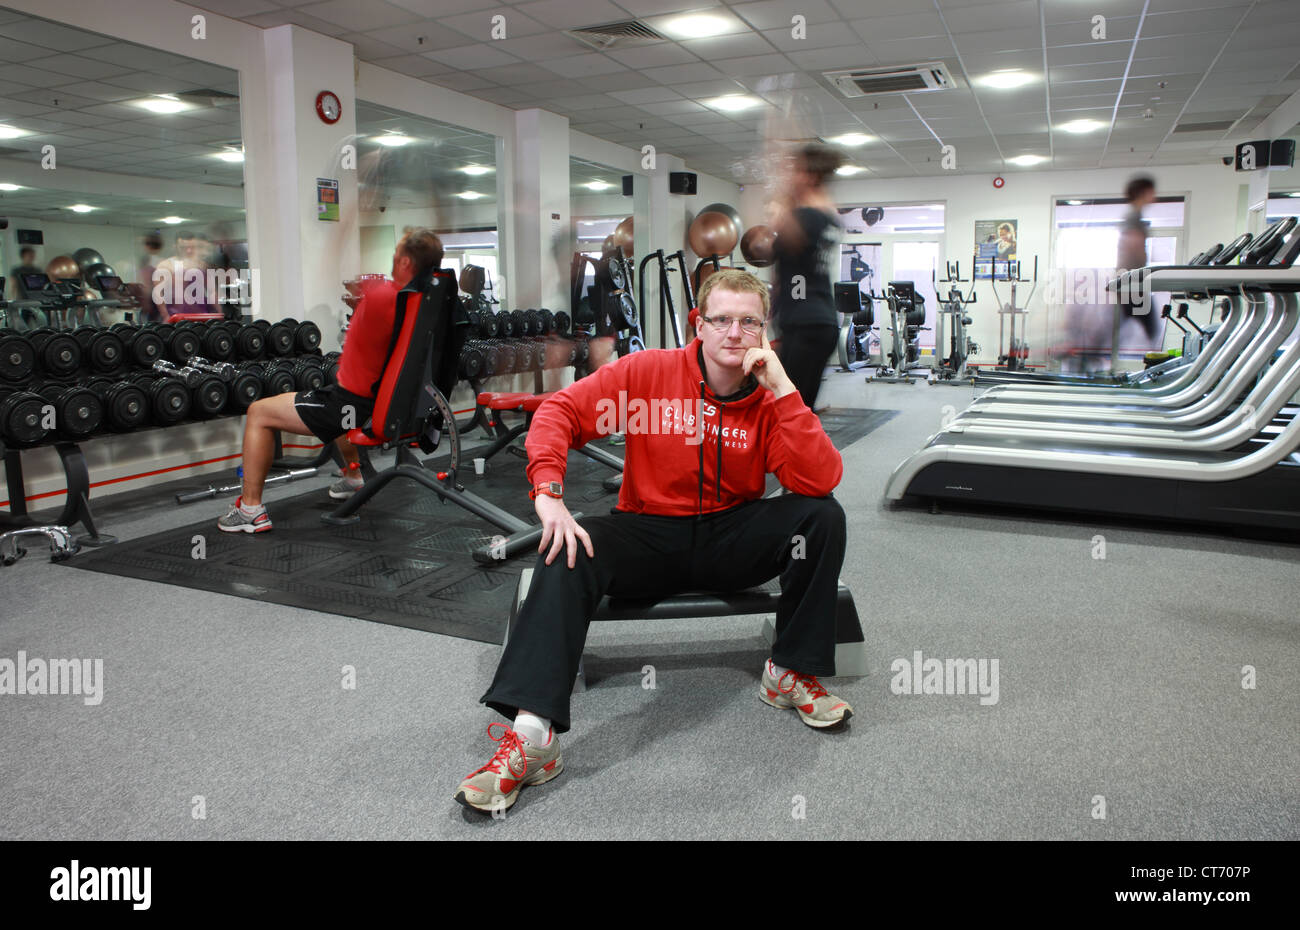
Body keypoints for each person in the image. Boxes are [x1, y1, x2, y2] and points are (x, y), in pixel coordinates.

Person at [454, 268, 851, 815]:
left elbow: (819, 478)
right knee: (569, 545)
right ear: (700, 324)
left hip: (730, 537)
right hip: (649, 535)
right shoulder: (647, 372)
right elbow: (559, 412)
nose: (734, 333)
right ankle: (533, 737)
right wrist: (548, 495)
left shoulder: (766, 399)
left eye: (749, 322)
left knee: (822, 517)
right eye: (722, 320)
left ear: (763, 332)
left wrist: (784, 391)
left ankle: (788, 672)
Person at [217, 228, 444, 533]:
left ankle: (250, 509)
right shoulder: (420, 301)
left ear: (405, 263)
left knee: (258, 412)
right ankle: (353, 477)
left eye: (396, 254)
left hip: (352, 404)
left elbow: (336, 266)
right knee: (333, 403)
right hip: (376, 402)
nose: (391, 258)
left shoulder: (383, 297)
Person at [768, 143, 846, 412]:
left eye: (796, 170)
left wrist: (781, 204)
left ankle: (796, 451)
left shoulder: (804, 218)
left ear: (810, 176)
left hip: (805, 324)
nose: (791, 176)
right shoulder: (829, 215)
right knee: (797, 407)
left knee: (787, 408)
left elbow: (771, 246)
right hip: (818, 323)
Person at [1118, 175, 1160, 341]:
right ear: (1143, 192)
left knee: (1146, 326)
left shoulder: (1135, 216)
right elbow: (1132, 246)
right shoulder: (1133, 217)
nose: (1154, 195)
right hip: (1132, 282)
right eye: (1152, 191)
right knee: (1151, 328)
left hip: (1132, 281)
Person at [10, 246, 43, 327]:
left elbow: (42, 286)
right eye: (29, 255)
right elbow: (14, 286)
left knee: (41, 322)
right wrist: (13, 300)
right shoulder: (17, 270)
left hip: (36, 301)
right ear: (23, 256)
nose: (32, 257)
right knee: (23, 324)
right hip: (23, 301)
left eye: (33, 255)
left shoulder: (37, 270)